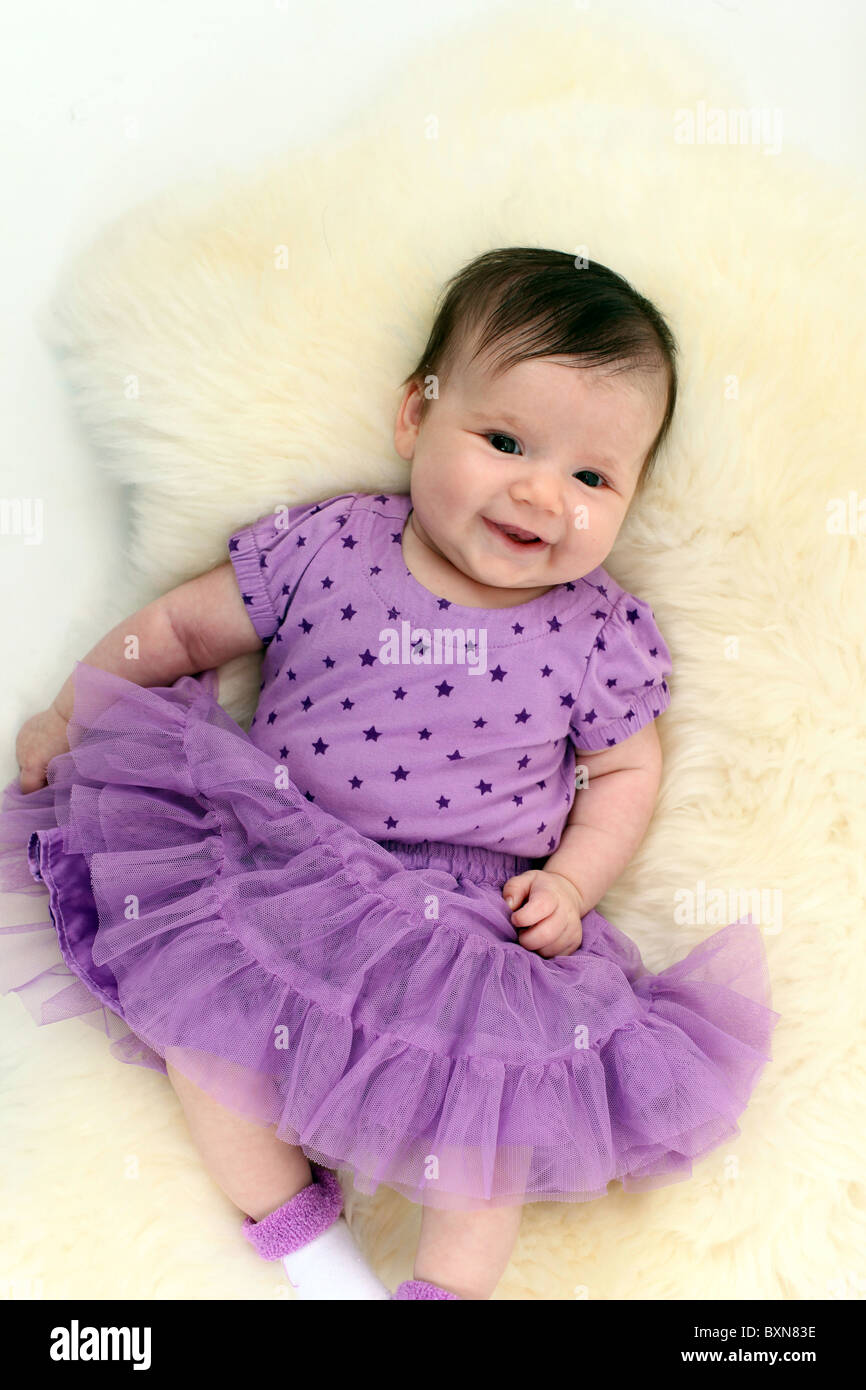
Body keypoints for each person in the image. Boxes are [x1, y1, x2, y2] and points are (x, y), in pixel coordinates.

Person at [0, 248, 780, 1300]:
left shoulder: (599, 633)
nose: (540, 491)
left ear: (630, 498)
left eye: (591, 476)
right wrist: (70, 704)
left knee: (484, 1129)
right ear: (414, 420)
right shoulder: (328, 545)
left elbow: (623, 770)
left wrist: (573, 882)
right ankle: (310, 1251)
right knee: (204, 1039)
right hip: (283, 858)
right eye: (503, 439)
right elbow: (184, 626)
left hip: (469, 921)